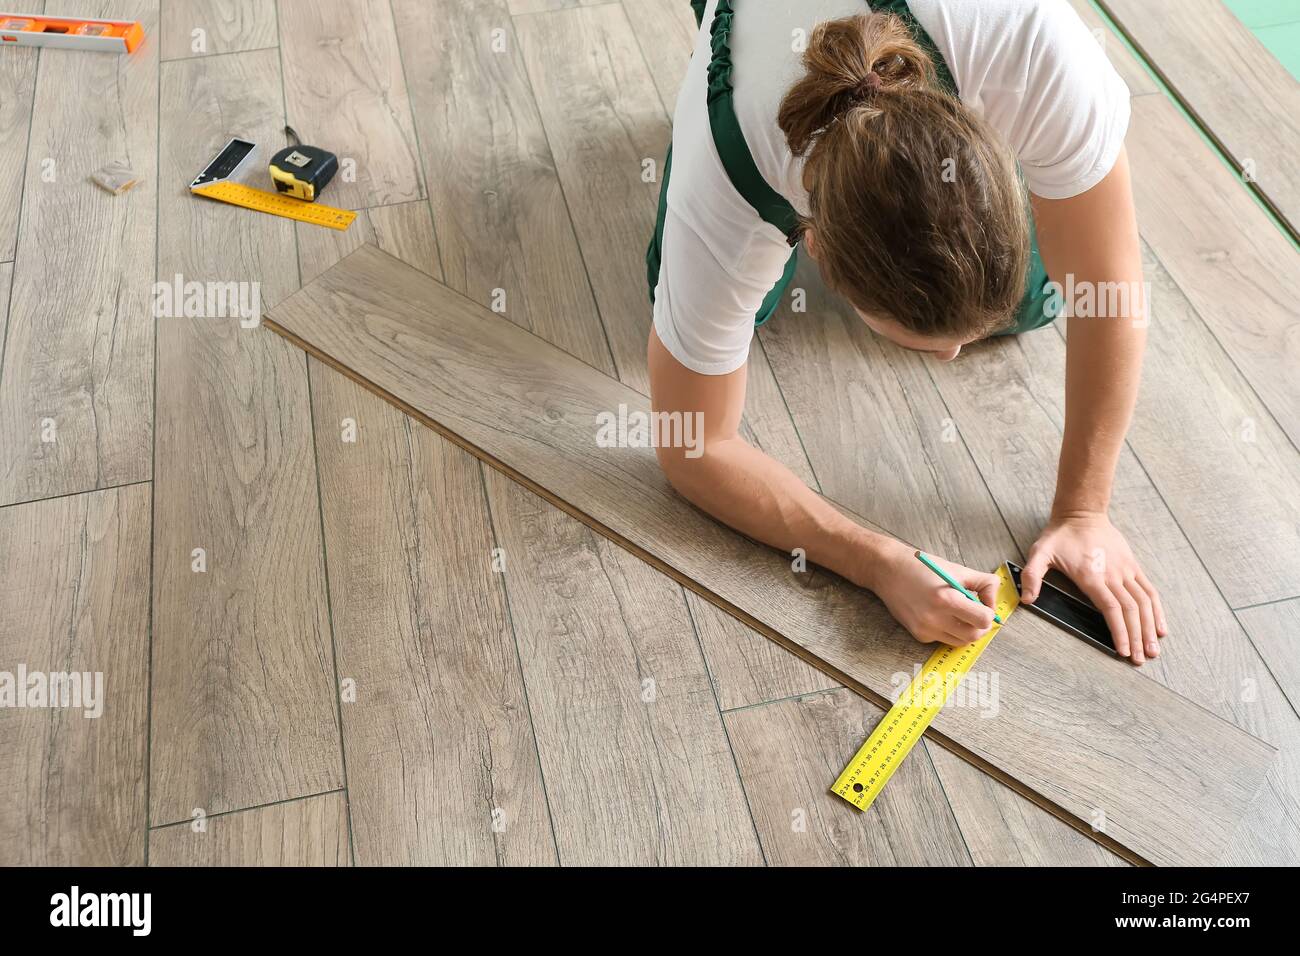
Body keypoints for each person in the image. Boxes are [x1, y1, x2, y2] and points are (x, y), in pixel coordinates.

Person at [646, 0, 1166, 664]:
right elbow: (692, 445)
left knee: (1031, 304)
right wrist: (875, 560)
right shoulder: (725, 188)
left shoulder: (1033, 45)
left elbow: (1108, 288)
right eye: (935, 343)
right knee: (695, 299)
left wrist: (1085, 509)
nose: (953, 357)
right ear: (820, 255)